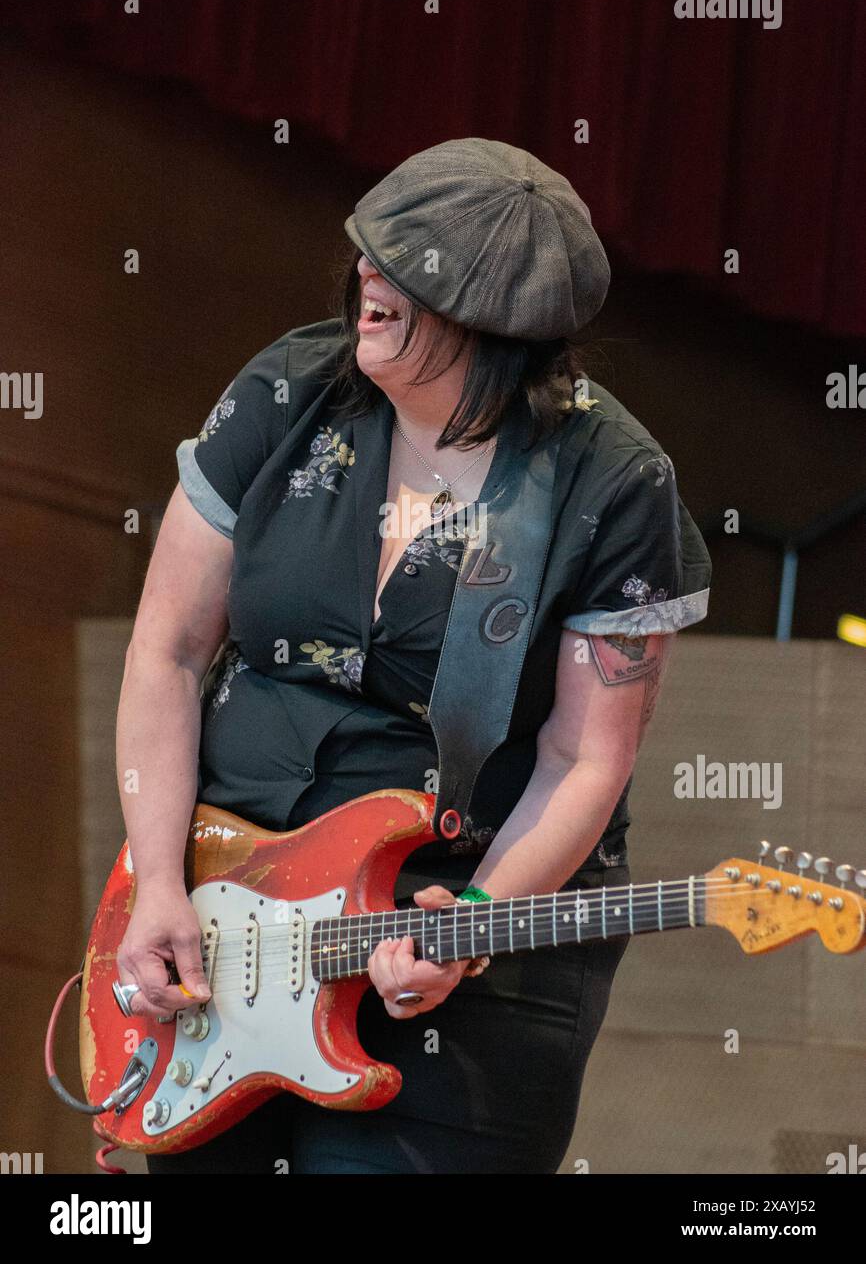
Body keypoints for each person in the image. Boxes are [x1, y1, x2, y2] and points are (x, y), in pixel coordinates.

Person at [115, 137, 712, 1174]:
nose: (366, 280)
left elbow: (584, 759)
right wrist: (157, 881)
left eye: (403, 269)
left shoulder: (610, 484)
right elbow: (166, 651)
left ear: (495, 322)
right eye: (366, 253)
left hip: (466, 929)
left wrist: (477, 914)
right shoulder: (288, 390)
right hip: (223, 912)